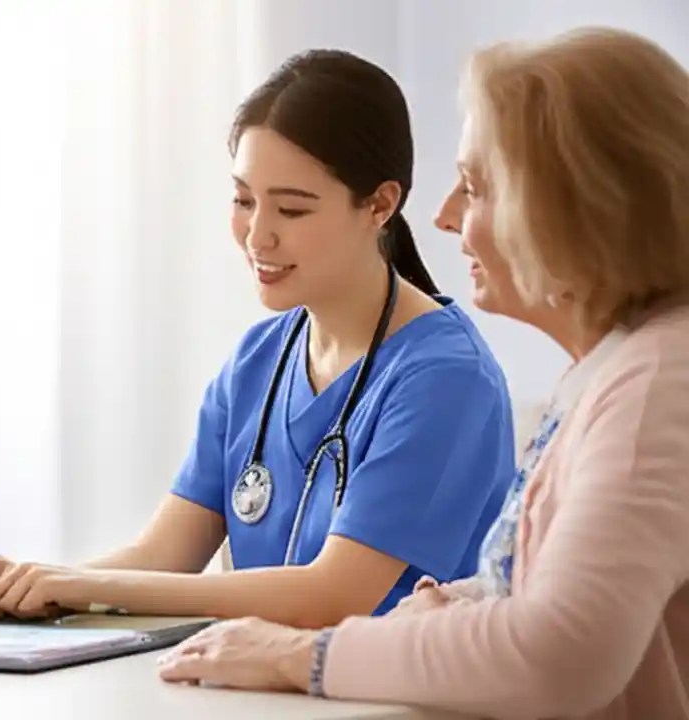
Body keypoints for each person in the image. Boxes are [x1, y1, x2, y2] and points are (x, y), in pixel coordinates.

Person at [155, 26, 689, 719]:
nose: (440, 218)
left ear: (582, 203)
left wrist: (299, 657)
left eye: (474, 187)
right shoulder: (621, 373)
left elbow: (560, 651)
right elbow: (533, 597)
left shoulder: (655, 388)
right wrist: (438, 609)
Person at [0, 50, 516, 627]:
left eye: (291, 210)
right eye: (244, 200)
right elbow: (164, 555)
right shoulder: (258, 360)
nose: (257, 236)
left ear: (380, 205)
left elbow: (334, 595)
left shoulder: (444, 378)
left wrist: (68, 586)